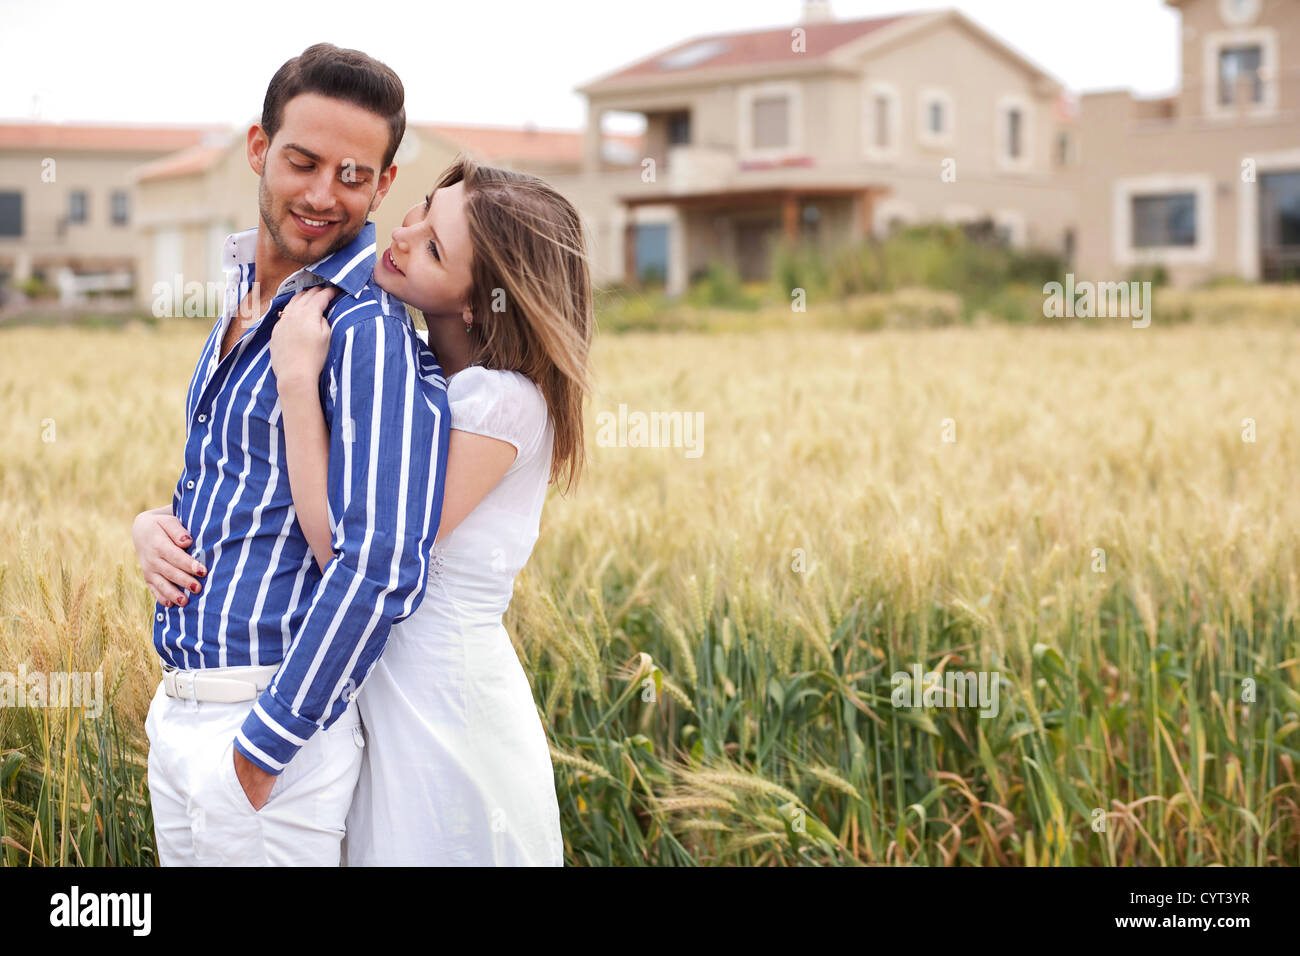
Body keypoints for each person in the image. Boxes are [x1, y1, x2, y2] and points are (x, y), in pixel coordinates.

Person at [131, 42, 451, 866]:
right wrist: (154, 526)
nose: (321, 195)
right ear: (257, 149)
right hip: (181, 717)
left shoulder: (363, 330)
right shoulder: (245, 295)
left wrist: (265, 746)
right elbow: (238, 477)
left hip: (264, 733)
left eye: (353, 175)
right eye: (302, 162)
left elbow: (382, 561)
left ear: (384, 186)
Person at [268, 154, 593, 865]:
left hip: (446, 724)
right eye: (420, 209)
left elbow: (347, 551)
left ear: (481, 302)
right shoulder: (412, 368)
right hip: (387, 710)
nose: (404, 234)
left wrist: (297, 382)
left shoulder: (499, 403)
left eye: (436, 246)